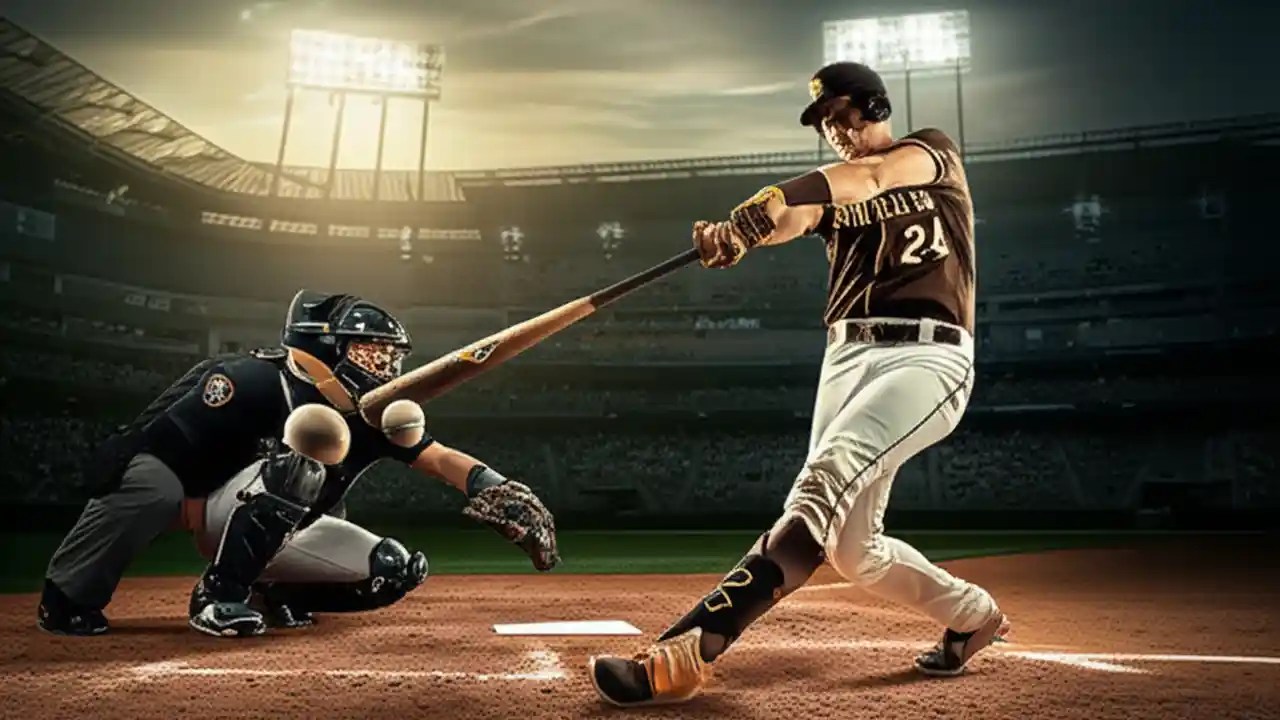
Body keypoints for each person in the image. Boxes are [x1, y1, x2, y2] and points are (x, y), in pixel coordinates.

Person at [588, 61, 1005, 707]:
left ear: (874, 104)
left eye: (840, 113)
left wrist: (774, 195)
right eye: (823, 123)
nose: (833, 129)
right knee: (853, 549)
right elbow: (796, 217)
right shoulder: (833, 194)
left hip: (926, 357)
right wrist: (743, 235)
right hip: (846, 358)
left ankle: (688, 648)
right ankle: (974, 615)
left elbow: (870, 177)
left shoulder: (931, 153)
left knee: (822, 482)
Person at [38, 289, 559, 638]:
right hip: (207, 498)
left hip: (281, 524)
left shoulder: (373, 413)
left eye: (390, 358)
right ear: (326, 346)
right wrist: (183, 499)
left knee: (391, 571)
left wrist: (497, 487)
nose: (386, 368)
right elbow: (165, 444)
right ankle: (184, 597)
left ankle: (272, 593)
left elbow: (438, 457)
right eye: (372, 353)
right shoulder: (252, 379)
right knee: (165, 483)